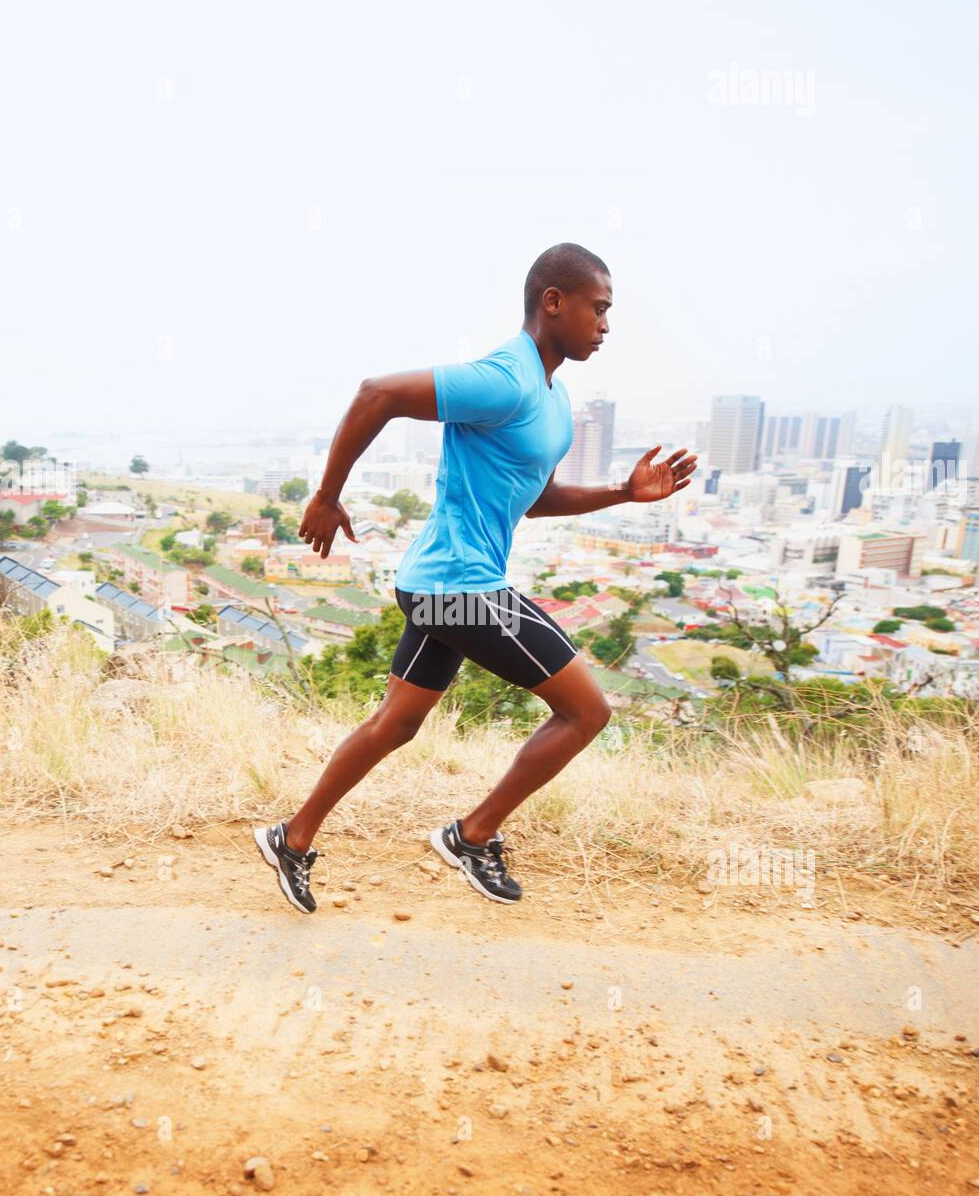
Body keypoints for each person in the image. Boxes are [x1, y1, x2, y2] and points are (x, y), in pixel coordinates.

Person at [255, 242, 697, 914]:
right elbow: (377, 394)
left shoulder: (553, 398)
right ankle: (472, 835)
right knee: (587, 711)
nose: (606, 326)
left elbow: (535, 498)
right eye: (599, 309)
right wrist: (326, 496)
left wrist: (622, 493)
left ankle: (291, 838)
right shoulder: (505, 378)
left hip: (440, 586)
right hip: (460, 589)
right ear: (554, 301)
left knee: (396, 724)